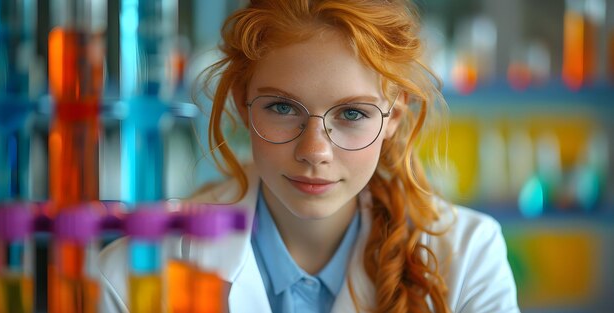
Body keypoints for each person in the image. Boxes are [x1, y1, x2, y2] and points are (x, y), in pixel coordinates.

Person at [99, 0, 520, 312]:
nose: (314, 151)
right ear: (242, 102)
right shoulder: (134, 272)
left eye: (352, 113)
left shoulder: (467, 257)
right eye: (282, 108)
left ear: (394, 117)